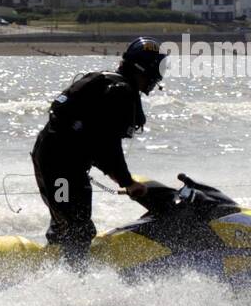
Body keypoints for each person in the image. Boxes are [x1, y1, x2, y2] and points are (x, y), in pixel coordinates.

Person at [31, 37, 167, 266]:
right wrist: (127, 181)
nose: (158, 76)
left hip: (66, 165)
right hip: (59, 169)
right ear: (144, 68)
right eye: (158, 68)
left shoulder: (108, 82)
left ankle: (54, 263)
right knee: (77, 227)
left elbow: (94, 141)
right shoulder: (119, 92)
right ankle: (69, 278)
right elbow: (107, 145)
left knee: (73, 221)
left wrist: (123, 178)